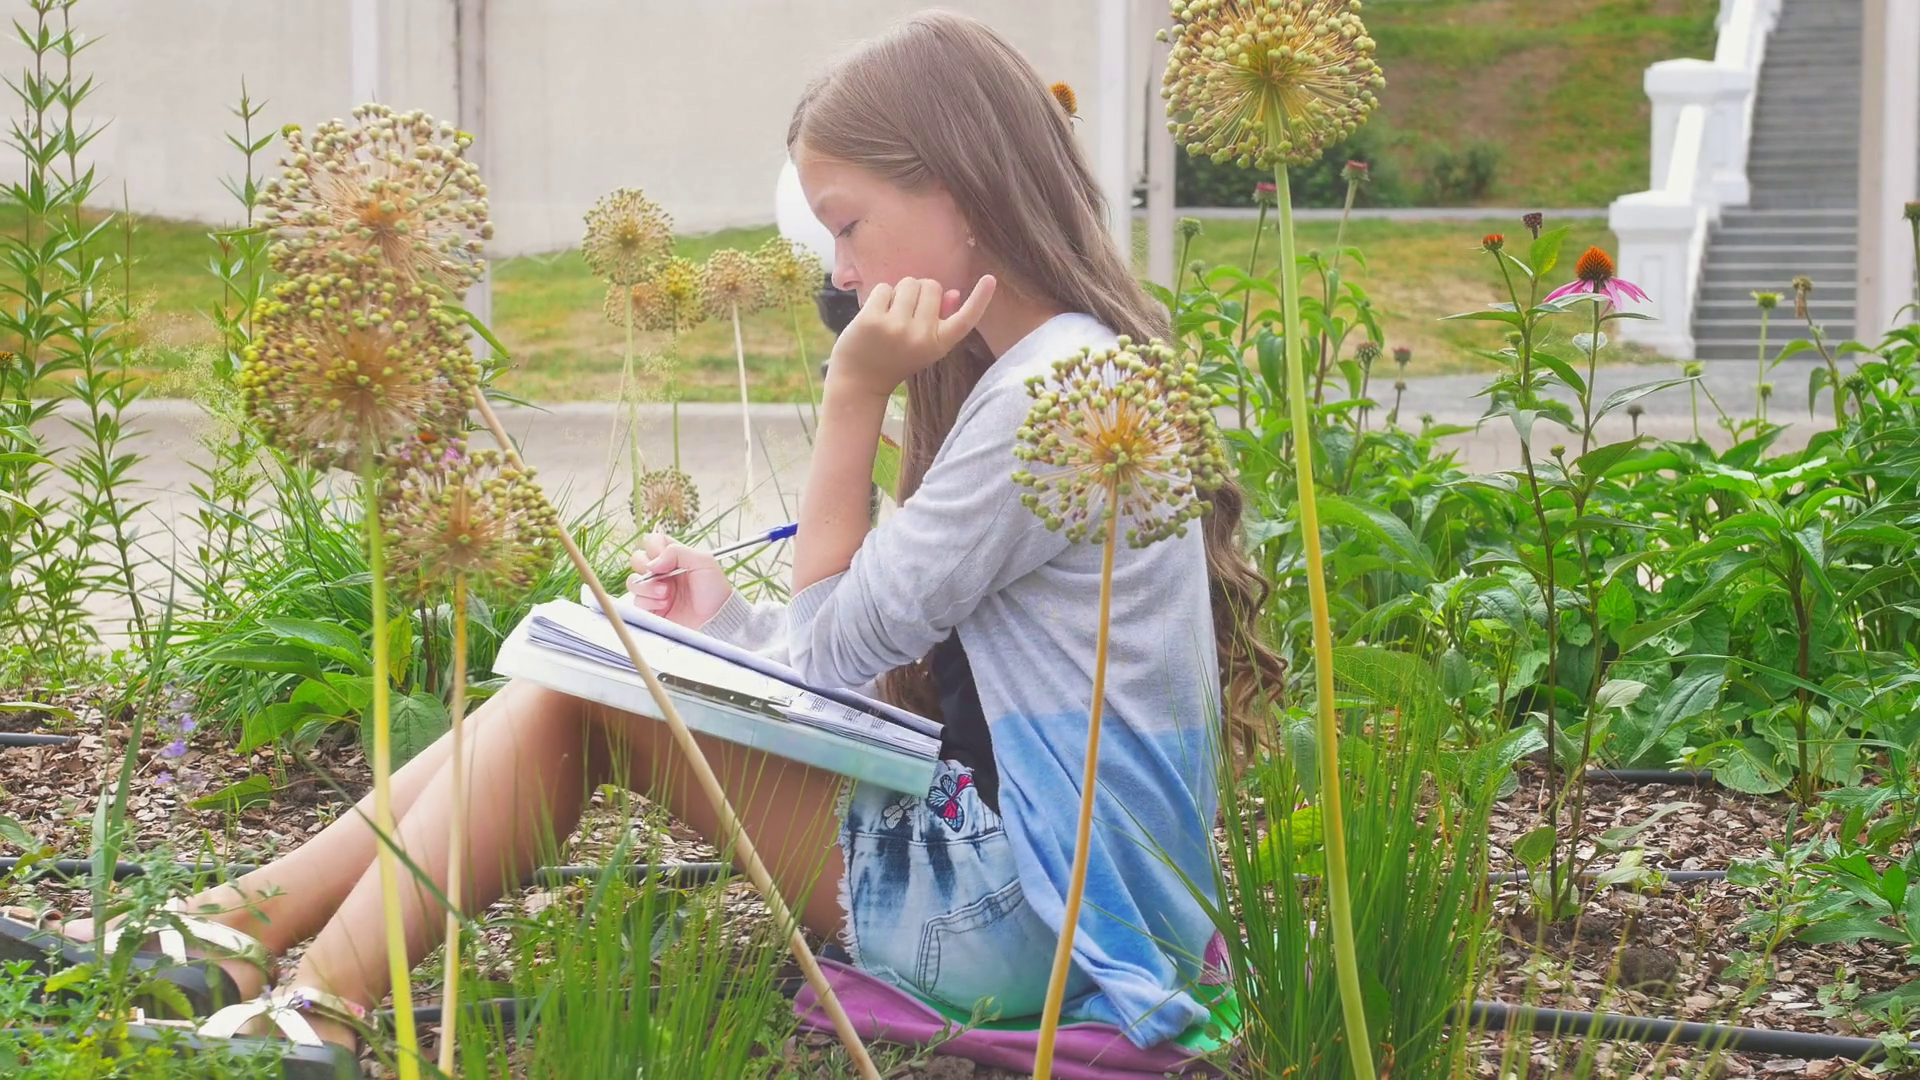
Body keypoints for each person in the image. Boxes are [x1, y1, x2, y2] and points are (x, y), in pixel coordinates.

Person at [5, 9, 1280, 1055]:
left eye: (845, 223)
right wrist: (725, 625)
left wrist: (854, 396)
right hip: (1045, 893)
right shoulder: (1065, 367)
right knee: (594, 672)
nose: (835, 270)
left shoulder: (1043, 396)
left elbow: (834, 661)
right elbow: (887, 662)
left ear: (958, 189)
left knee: (592, 696)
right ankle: (241, 937)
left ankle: (304, 1001)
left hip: (1030, 929)